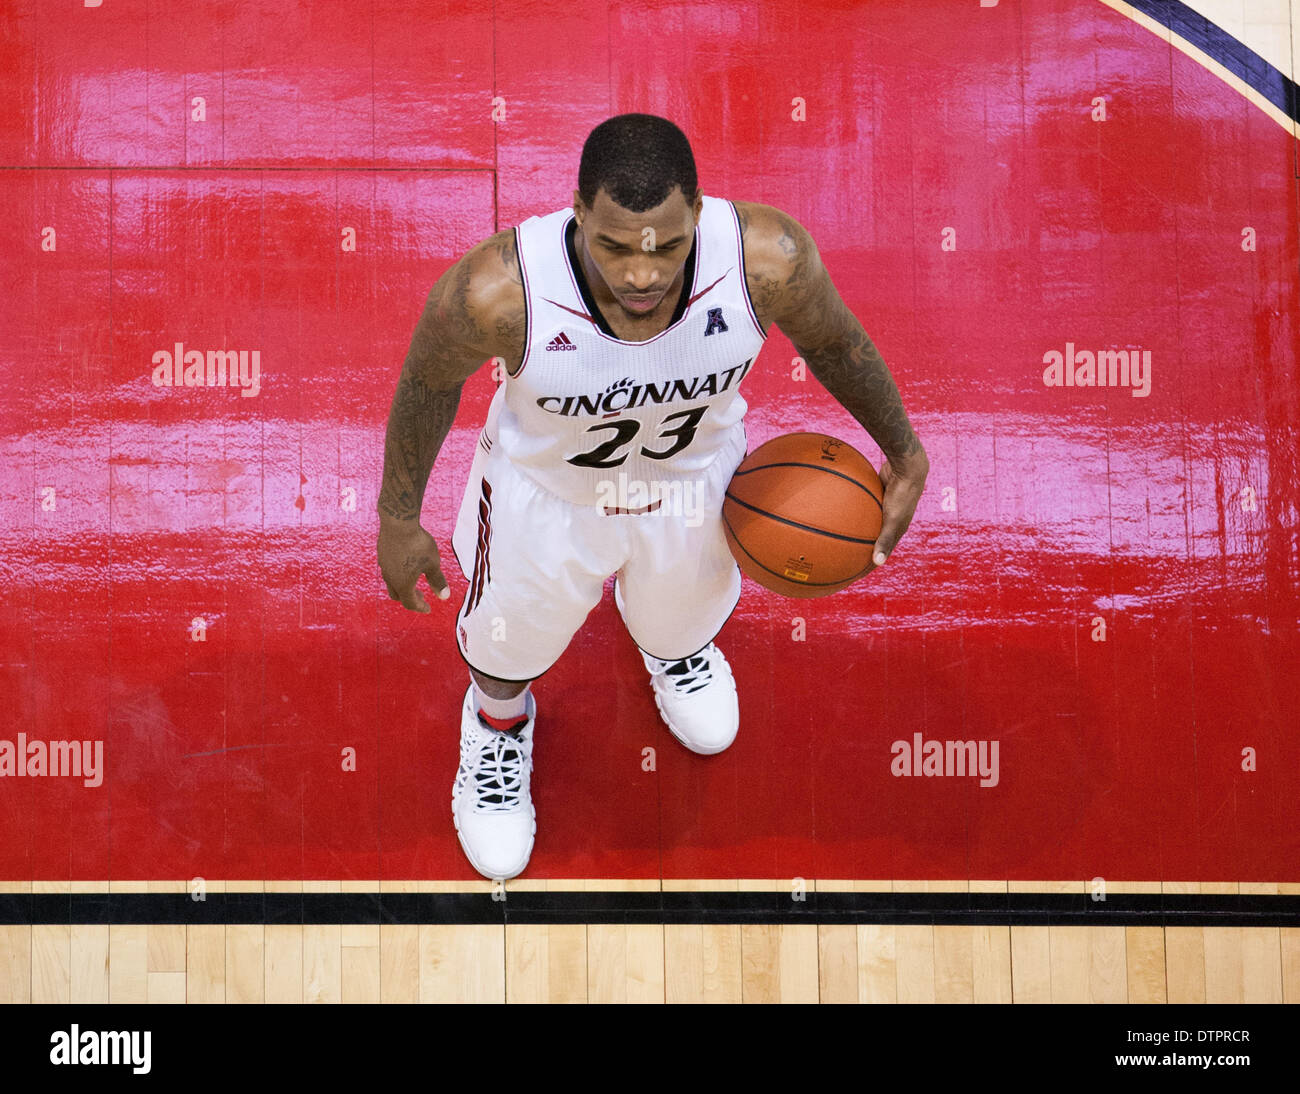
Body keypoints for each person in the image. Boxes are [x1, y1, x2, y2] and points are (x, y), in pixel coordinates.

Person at [376, 113, 928, 880]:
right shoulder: (498, 293)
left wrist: (902, 450)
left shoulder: (767, 261)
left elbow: (833, 342)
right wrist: (398, 518)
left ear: (698, 214)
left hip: (694, 487)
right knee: (507, 650)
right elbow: (427, 383)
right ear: (578, 213)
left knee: (684, 617)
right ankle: (499, 728)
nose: (642, 274)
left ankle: (676, 654)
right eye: (614, 247)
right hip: (550, 498)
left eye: (667, 246)